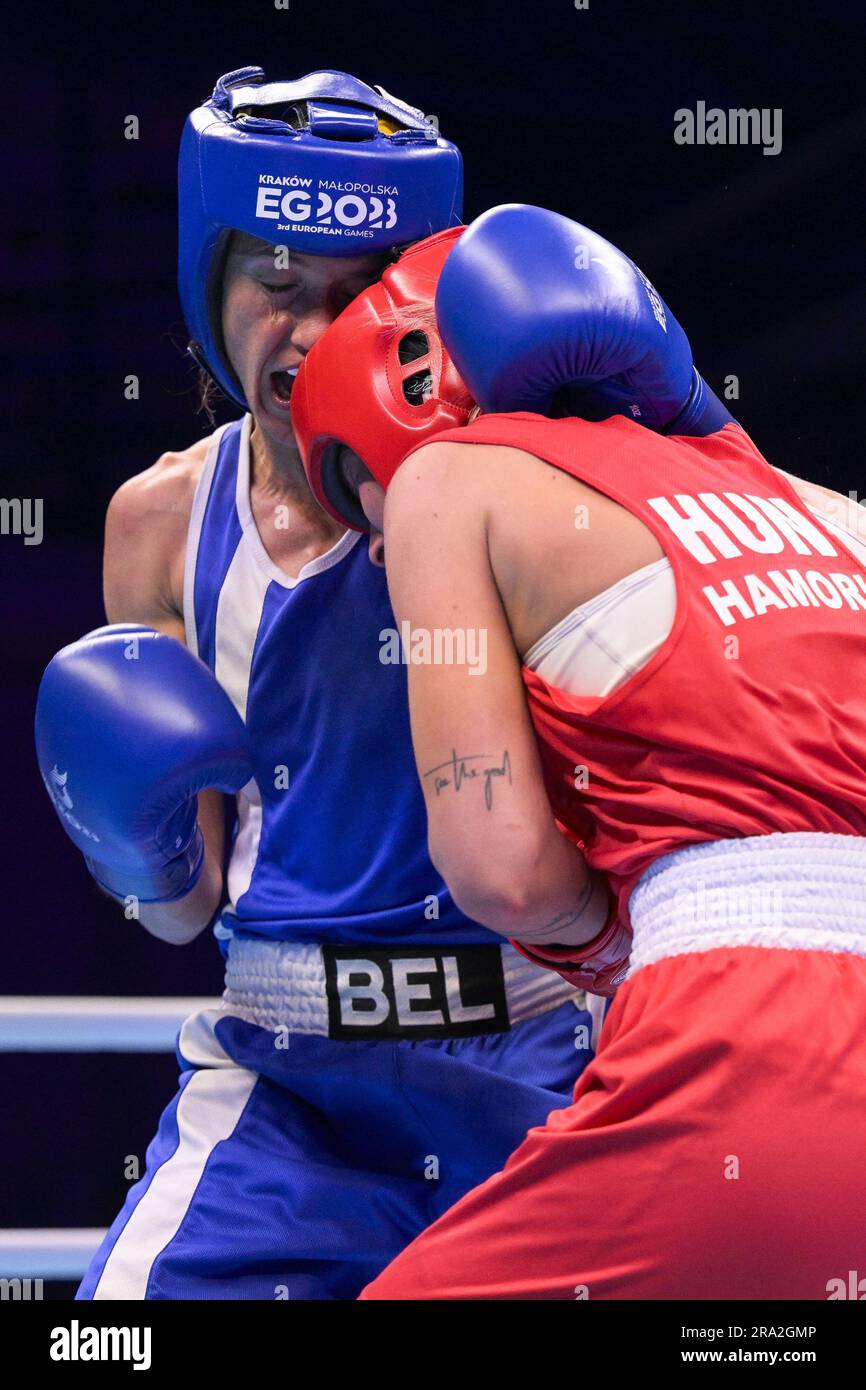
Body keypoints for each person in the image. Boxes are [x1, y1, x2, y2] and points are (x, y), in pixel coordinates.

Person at [34, 76, 599, 1301]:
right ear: (211, 285)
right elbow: (178, 910)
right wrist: (131, 851)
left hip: (539, 1068)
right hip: (284, 1089)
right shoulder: (161, 522)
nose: (307, 331)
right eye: (275, 283)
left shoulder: (516, 494)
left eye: (354, 293)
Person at [292, 204, 866, 1299]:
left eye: (355, 491)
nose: (369, 541)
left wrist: (612, 947)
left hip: (743, 1050)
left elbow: (497, 865)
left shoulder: (446, 481)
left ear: (407, 414)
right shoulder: (821, 507)